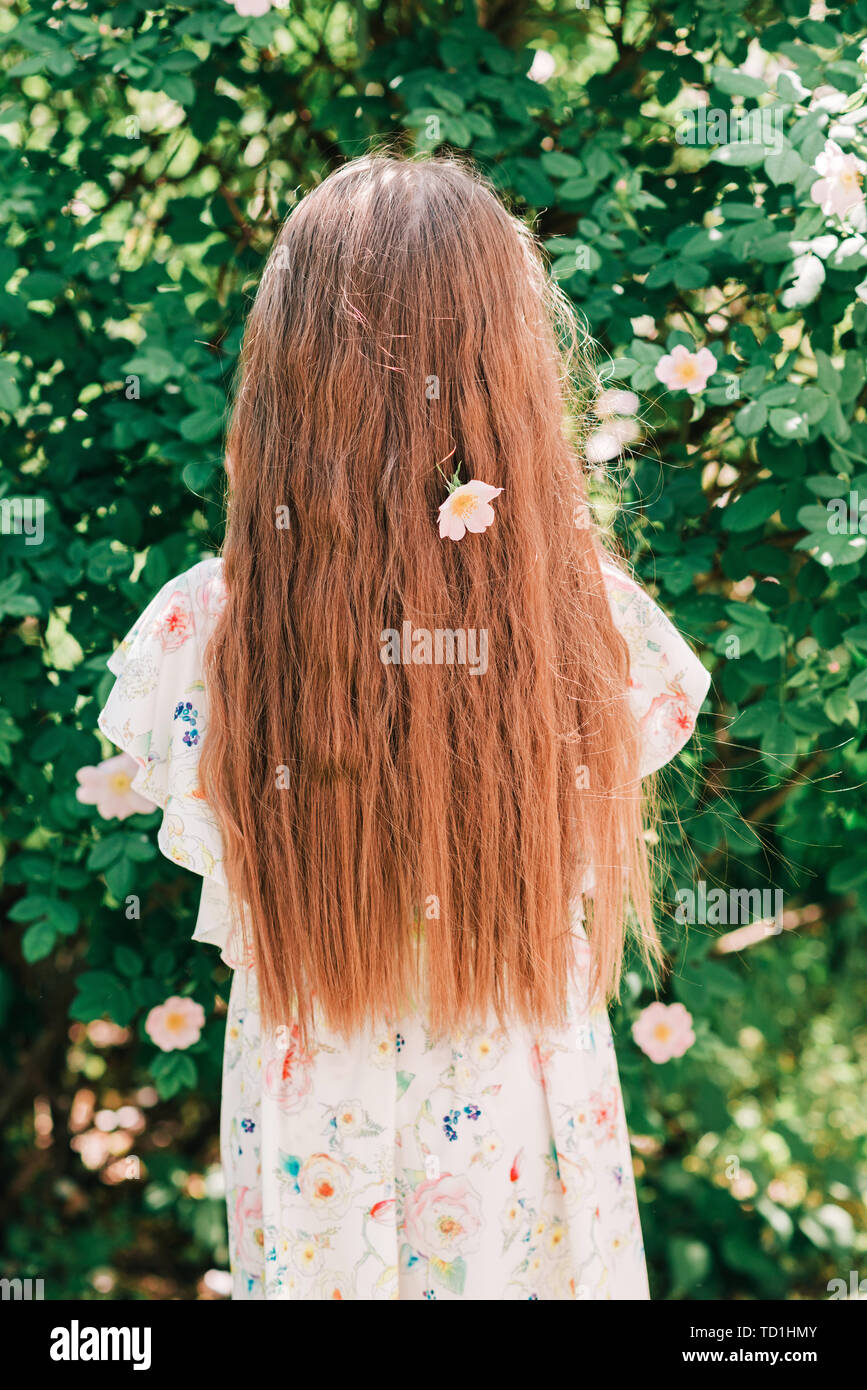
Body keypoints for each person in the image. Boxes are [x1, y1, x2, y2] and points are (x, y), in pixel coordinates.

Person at [97, 154, 710, 1300]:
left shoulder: (203, 630)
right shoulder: (595, 631)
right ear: (508, 377)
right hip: (523, 1136)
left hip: (312, 1143)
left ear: (286, 373)